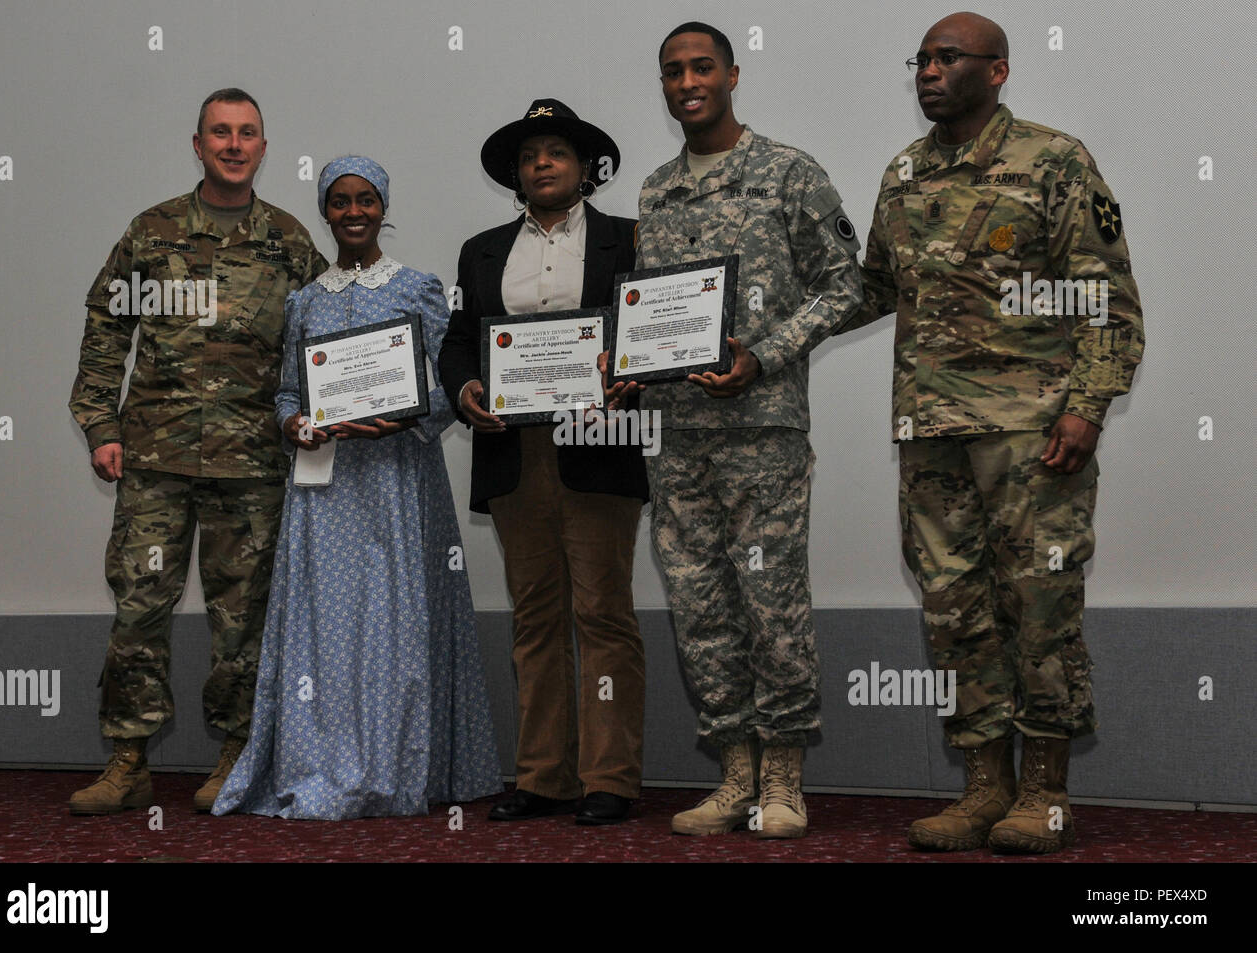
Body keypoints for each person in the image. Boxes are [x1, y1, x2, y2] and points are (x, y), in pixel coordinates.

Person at [840, 12, 1145, 853]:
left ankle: (1046, 791)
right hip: (929, 429)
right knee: (953, 608)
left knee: (1039, 605)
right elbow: (871, 287)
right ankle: (984, 787)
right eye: (922, 60)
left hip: (1032, 431)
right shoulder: (903, 173)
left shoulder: (1055, 159)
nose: (929, 72)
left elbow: (1108, 302)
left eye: (947, 58)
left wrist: (1086, 405)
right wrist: (764, 327)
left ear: (998, 70)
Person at [623, 23, 863, 838]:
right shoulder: (654, 191)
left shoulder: (789, 172)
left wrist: (763, 355)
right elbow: (654, 317)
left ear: (732, 74)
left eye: (701, 67)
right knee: (699, 603)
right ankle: (732, 775)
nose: (687, 82)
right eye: (672, 72)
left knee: (773, 602)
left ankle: (785, 779)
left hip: (762, 428)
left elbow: (846, 287)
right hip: (675, 434)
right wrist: (629, 365)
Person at [213, 157, 503, 819]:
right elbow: (289, 390)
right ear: (326, 209)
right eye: (340, 201)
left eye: (365, 200)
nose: (353, 212)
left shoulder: (419, 288)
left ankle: (399, 767)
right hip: (326, 488)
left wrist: (402, 416)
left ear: (382, 206)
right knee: (328, 628)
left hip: (399, 479)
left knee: (397, 622)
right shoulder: (305, 301)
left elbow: (448, 387)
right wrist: (295, 422)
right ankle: (323, 760)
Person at [67, 88, 327, 815]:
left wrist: (319, 418)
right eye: (221, 132)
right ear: (198, 142)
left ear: (263, 148)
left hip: (251, 467)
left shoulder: (287, 240)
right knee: (139, 610)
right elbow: (105, 324)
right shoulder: (151, 233)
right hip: (153, 459)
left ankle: (235, 756)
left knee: (243, 620)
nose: (234, 144)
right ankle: (127, 760)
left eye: (247, 133)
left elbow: (320, 344)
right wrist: (100, 423)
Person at [438, 100, 648, 825]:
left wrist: (630, 369)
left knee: (603, 612)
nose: (542, 164)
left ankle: (609, 777)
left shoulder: (631, 239)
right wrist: (464, 388)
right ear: (516, 176)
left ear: (587, 167)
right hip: (512, 449)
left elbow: (649, 330)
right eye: (530, 157)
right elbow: (460, 337)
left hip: (601, 441)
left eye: (556, 151)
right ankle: (542, 775)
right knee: (535, 616)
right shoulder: (482, 250)